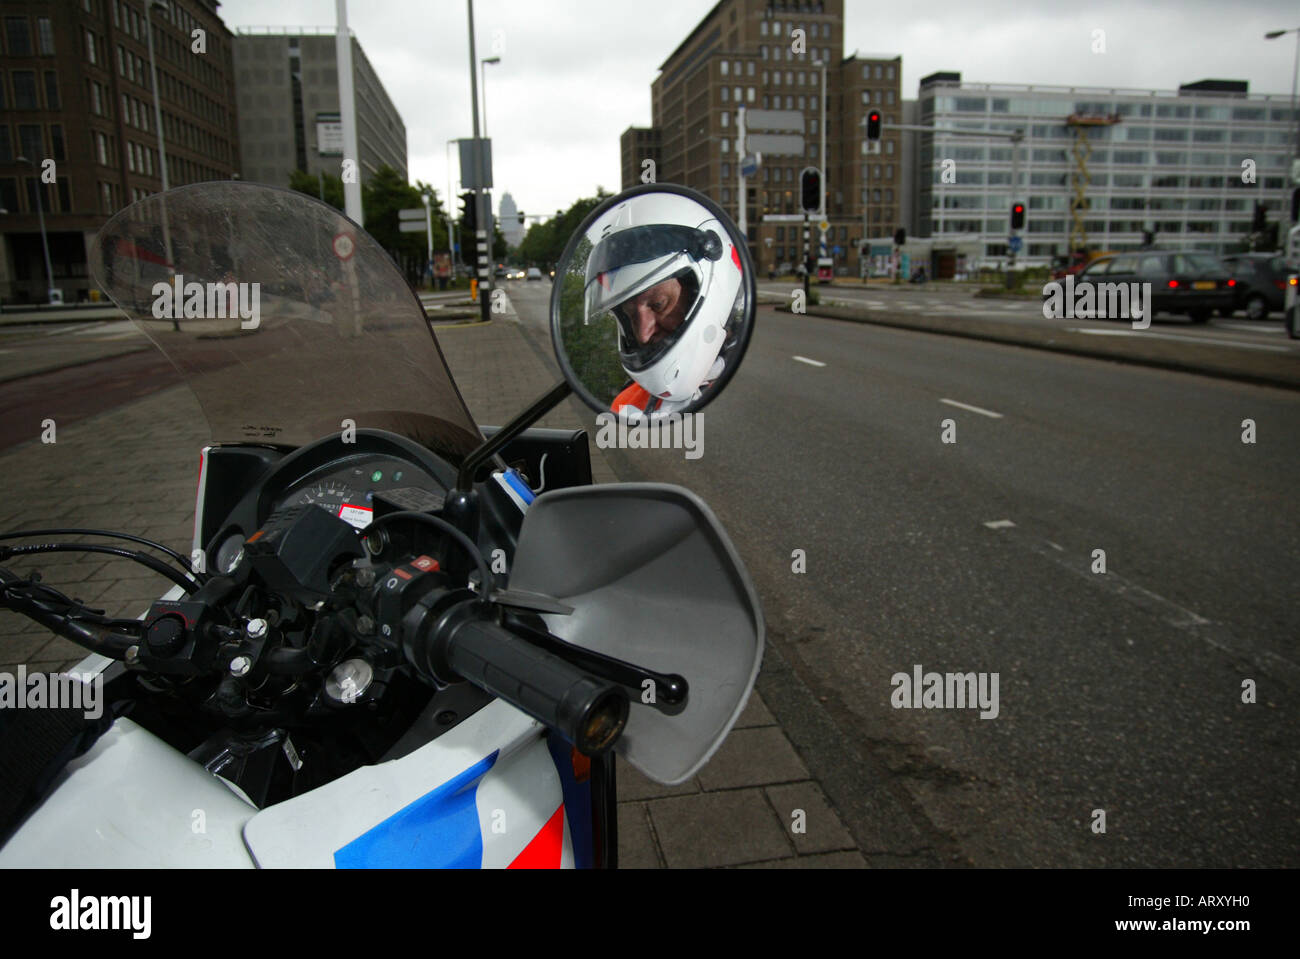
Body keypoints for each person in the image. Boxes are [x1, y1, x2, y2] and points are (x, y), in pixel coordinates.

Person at [583, 199, 743, 419]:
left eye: (658, 304)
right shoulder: (626, 404)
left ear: (711, 287)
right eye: (629, 315)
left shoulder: (755, 389)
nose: (642, 334)